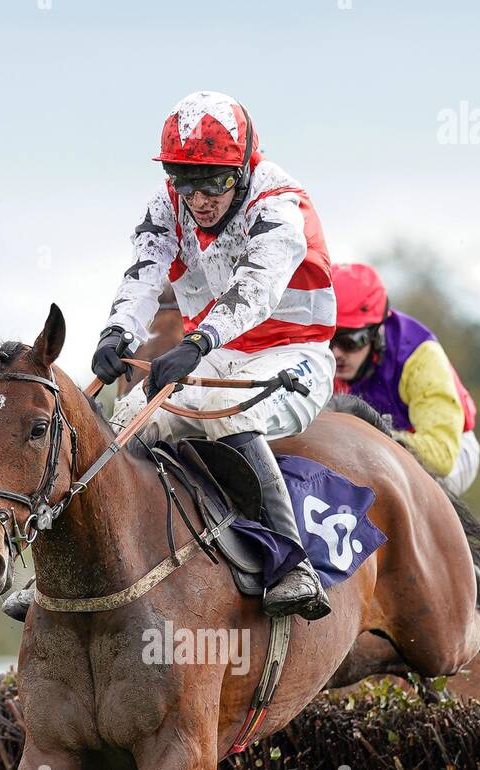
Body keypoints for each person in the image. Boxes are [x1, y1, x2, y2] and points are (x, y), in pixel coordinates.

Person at [91, 90, 338, 619]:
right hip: (214, 351)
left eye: (216, 182)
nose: (199, 199)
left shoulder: (279, 204)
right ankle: (95, 568)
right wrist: (116, 334)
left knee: (229, 418)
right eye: (185, 181)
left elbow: (256, 288)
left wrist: (197, 342)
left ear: (244, 168)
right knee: (131, 418)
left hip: (292, 352)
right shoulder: (167, 205)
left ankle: (292, 565)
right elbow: (143, 275)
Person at [328, 263, 480, 496]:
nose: (336, 353)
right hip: (375, 448)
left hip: (452, 450)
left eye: (350, 341)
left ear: (375, 332)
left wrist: (372, 437)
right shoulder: (319, 355)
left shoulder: (420, 357)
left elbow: (440, 457)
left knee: (393, 492)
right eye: (328, 339)